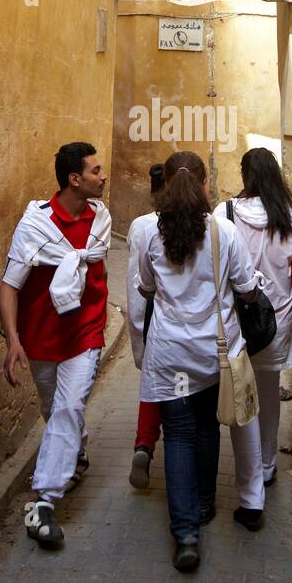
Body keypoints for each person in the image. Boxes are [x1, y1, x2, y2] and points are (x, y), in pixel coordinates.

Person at [138, 151, 259, 572]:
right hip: (213, 352)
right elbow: (246, 287)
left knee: (178, 435)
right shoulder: (223, 232)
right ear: (206, 183)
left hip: (171, 353)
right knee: (207, 426)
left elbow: (147, 287)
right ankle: (205, 503)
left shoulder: (153, 234)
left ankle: (186, 532)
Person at [0, 142, 110, 549]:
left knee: (68, 406)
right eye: (96, 171)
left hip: (85, 334)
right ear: (75, 180)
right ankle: (76, 455)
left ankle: (44, 501)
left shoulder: (100, 218)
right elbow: (10, 286)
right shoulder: (36, 225)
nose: (104, 176)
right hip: (41, 338)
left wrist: (101, 309)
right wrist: (13, 341)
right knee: (55, 409)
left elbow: (97, 266)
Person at [213, 148, 292, 497]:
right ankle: (267, 464)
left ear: (245, 177)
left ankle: (249, 474)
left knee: (240, 392)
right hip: (277, 325)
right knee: (269, 395)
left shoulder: (224, 215)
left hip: (235, 323)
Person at [126, 163, 165, 488]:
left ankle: (144, 444)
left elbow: (135, 284)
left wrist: (138, 335)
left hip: (150, 319)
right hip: (184, 327)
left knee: (152, 387)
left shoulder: (140, 226)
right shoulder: (201, 224)